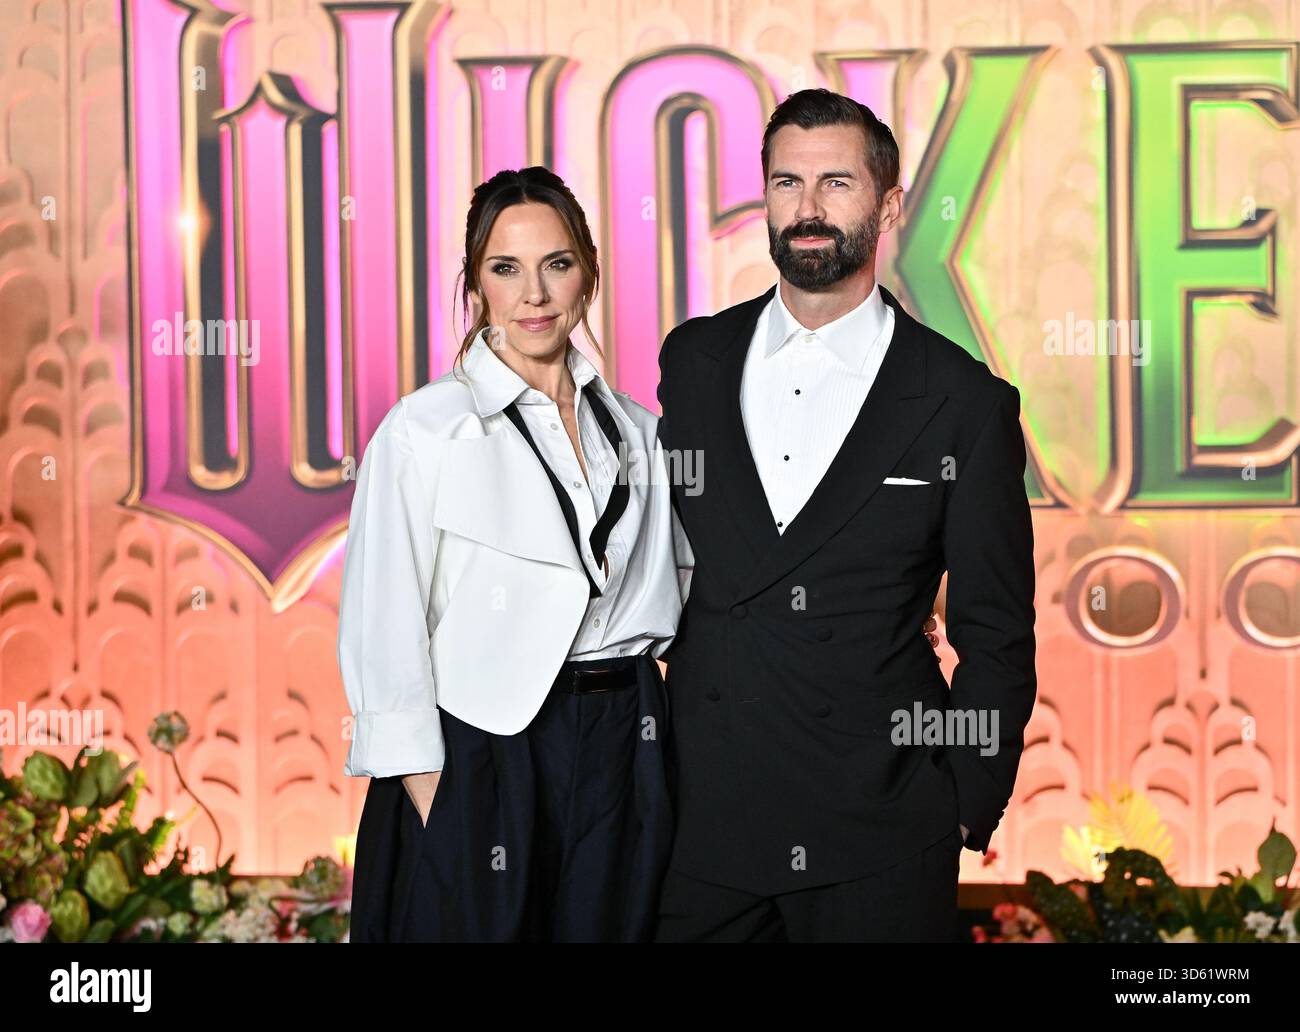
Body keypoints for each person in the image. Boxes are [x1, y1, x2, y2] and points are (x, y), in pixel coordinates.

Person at [653, 89, 1038, 942]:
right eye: (787, 183)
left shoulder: (962, 401)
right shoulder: (694, 361)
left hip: (883, 832)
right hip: (705, 828)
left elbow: (997, 631)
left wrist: (963, 804)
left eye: (836, 182)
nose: (808, 208)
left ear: (889, 204)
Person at [337, 167, 689, 942]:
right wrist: (439, 798)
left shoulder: (639, 430)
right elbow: (384, 623)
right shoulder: (425, 428)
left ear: (588, 276)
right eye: (506, 269)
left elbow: (685, 589)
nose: (534, 295)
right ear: (477, 285)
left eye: (556, 265)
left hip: (627, 743)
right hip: (487, 752)